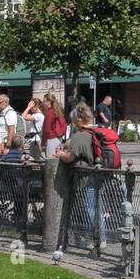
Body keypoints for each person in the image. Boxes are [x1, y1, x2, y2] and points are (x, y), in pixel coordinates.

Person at [54, 105, 98, 246]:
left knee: (88, 208)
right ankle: (98, 238)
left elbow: (70, 158)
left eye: (73, 121)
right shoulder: (97, 131)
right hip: (97, 174)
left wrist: (60, 154)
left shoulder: (80, 136)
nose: (72, 124)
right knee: (95, 207)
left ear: (79, 120)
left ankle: (96, 239)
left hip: (85, 178)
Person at [41, 93, 67, 159]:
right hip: (58, 139)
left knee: (51, 161)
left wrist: (43, 143)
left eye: (44, 101)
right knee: (57, 159)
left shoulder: (49, 113)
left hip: (51, 139)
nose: (43, 103)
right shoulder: (57, 111)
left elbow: (46, 129)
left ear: (49, 102)